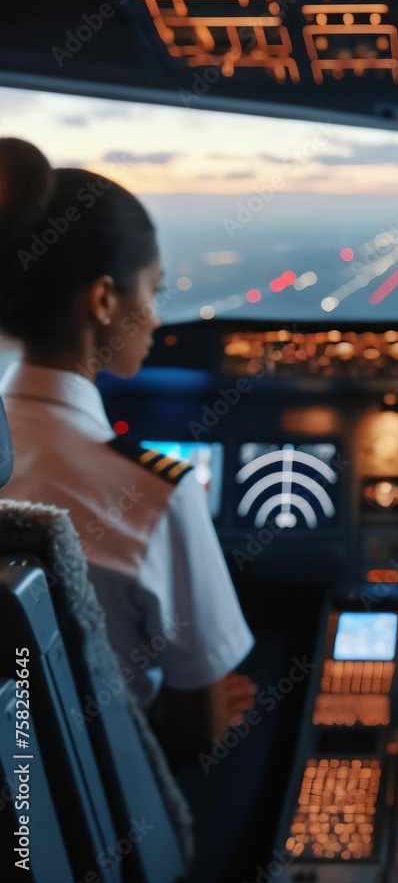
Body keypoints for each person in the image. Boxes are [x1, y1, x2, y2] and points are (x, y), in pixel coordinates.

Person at [0, 136, 256, 757]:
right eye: (155, 291)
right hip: (110, 793)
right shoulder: (154, 495)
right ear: (105, 299)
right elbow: (203, 728)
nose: (159, 318)